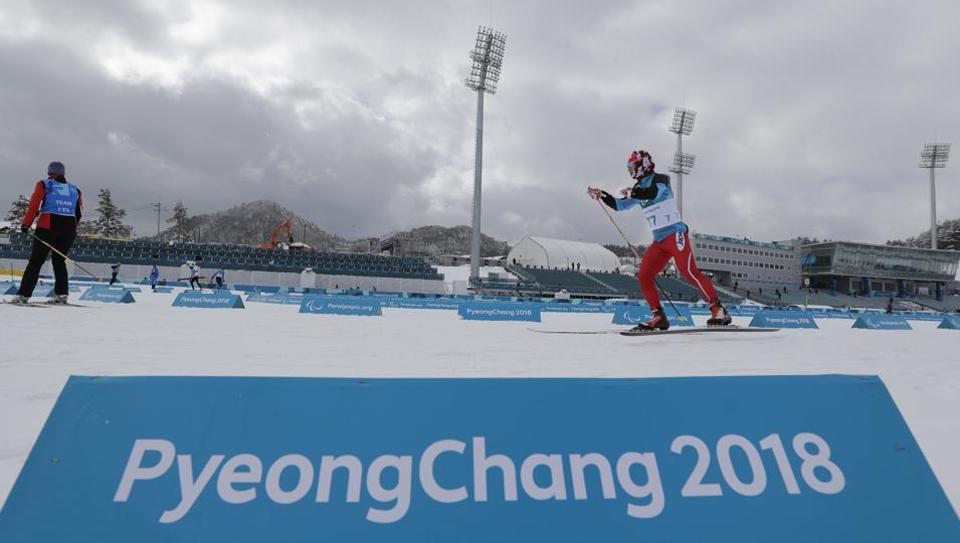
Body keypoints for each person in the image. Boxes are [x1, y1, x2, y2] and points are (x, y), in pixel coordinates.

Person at [588, 150, 730, 330]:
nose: (631, 172)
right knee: (645, 276)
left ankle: (718, 310)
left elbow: (653, 193)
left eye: (633, 167)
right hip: (660, 241)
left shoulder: (660, 179)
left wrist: (633, 193)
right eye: (629, 168)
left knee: (689, 271)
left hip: (675, 234)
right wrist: (602, 195)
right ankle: (658, 316)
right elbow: (620, 205)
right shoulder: (638, 189)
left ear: (643, 165)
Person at [11, 161, 82, 304]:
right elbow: (78, 213)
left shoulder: (44, 184)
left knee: (36, 261)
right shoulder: (75, 189)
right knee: (59, 261)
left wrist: (26, 224)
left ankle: (23, 296)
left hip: (48, 225)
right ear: (63, 173)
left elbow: (34, 205)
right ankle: (61, 295)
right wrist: (73, 229)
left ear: (49, 172)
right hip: (69, 228)